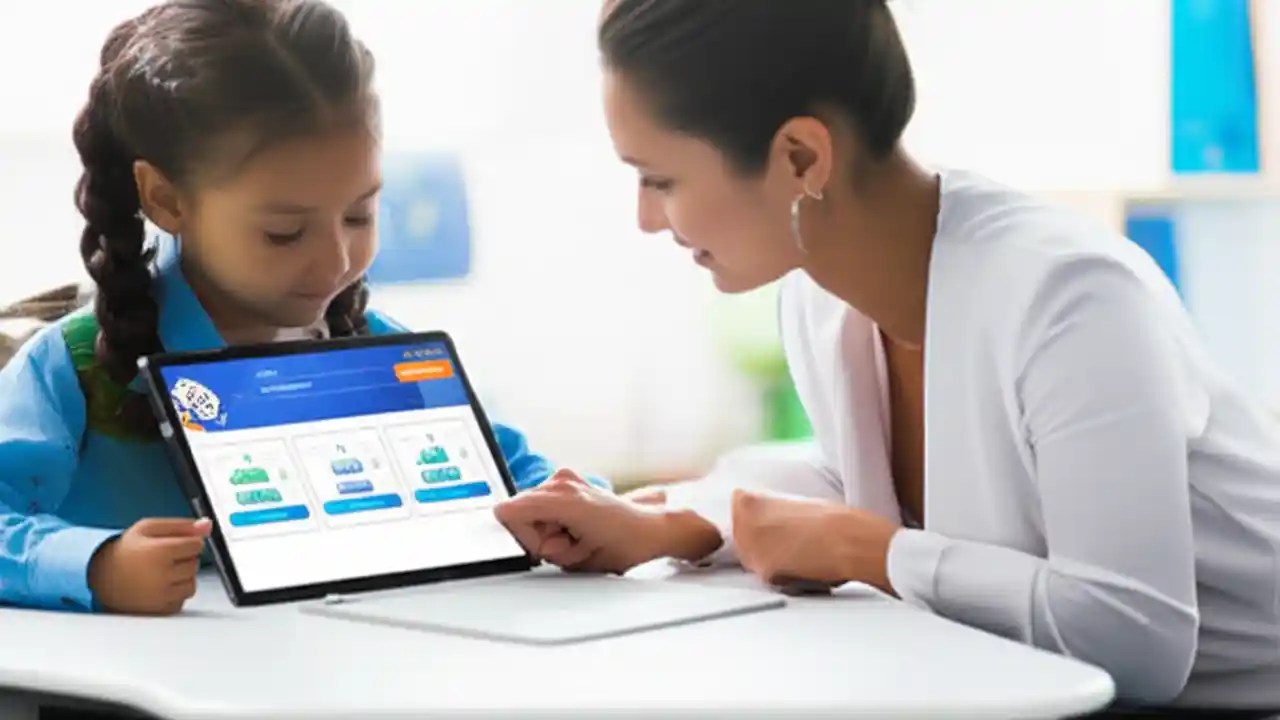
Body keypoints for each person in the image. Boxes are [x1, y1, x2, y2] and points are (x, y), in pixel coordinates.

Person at [493, 0, 1280, 713]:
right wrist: (675, 526)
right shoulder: (820, 297)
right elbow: (863, 483)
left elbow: (1135, 640)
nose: (646, 219)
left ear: (801, 158)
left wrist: (865, 551)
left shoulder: (1068, 299)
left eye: (659, 180)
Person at [0, 0, 586, 618]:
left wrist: (593, 521)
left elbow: (530, 483)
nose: (336, 261)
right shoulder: (71, 366)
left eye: (359, 215)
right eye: (284, 232)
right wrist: (97, 564)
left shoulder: (382, 352)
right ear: (166, 199)